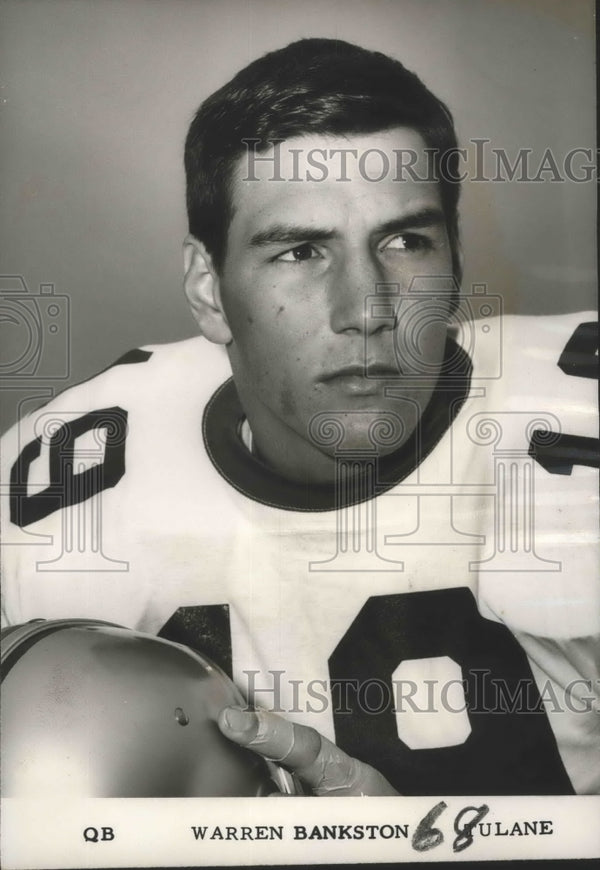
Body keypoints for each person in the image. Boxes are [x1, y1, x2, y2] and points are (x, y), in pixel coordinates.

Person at [1, 38, 598, 797]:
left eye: (406, 241)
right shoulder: (57, 484)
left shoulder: (577, 413)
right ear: (209, 289)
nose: (366, 310)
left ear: (456, 263)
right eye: (299, 252)